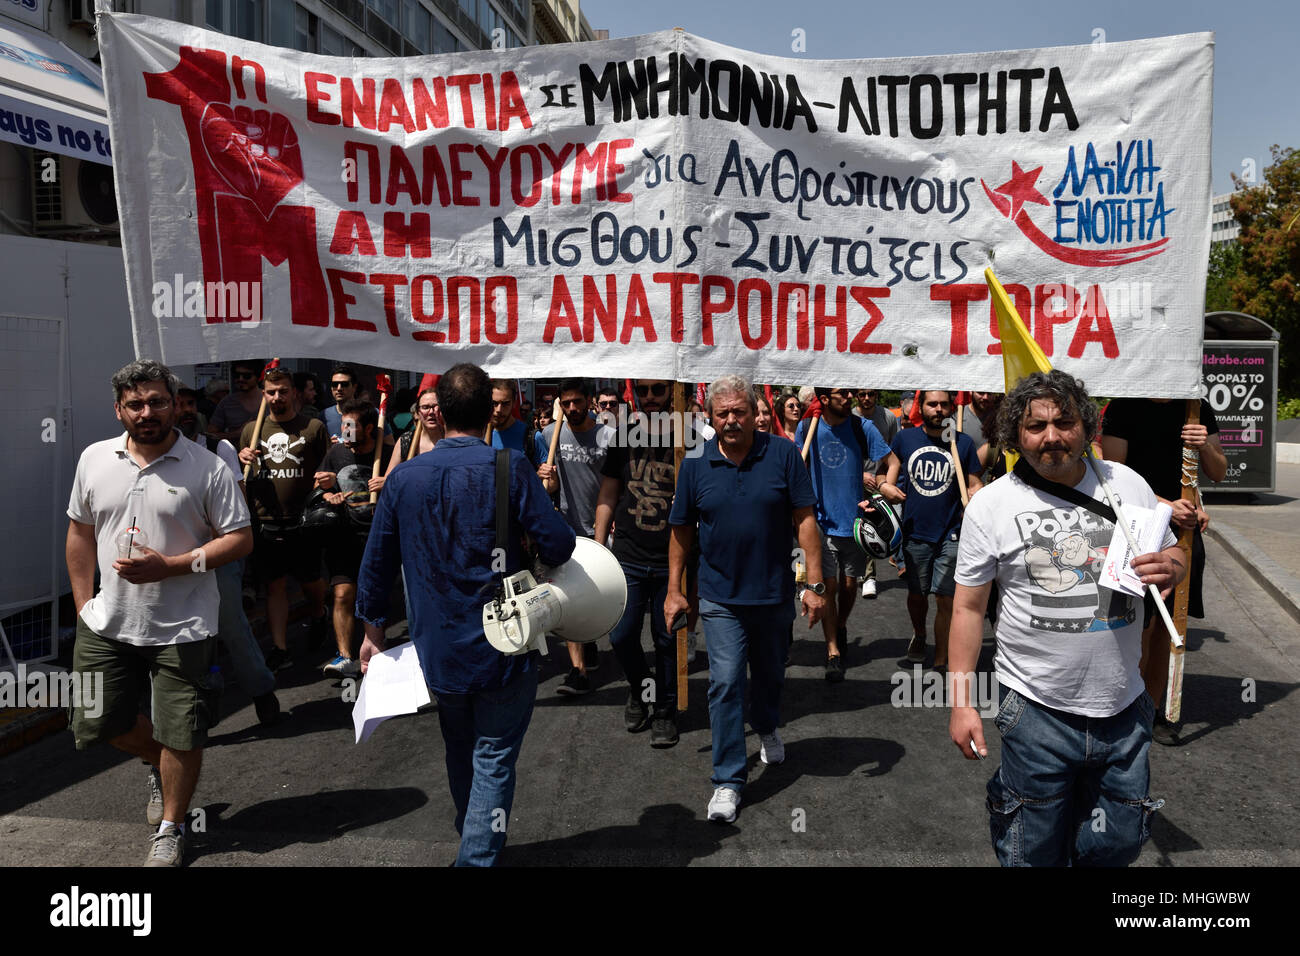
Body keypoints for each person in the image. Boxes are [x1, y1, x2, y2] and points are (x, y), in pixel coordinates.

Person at [948, 370, 1183, 866]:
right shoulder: (991, 506)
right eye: (1036, 426)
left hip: (1124, 708)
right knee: (1032, 849)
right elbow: (968, 609)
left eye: (1064, 422)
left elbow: (1173, 553)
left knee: (1117, 844)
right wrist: (962, 703)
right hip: (1036, 709)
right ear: (1015, 435)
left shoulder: (1129, 485)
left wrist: (1174, 566)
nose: (1052, 436)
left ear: (1087, 427)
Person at [357, 363, 575, 866]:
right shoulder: (510, 467)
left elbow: (376, 562)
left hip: (438, 647)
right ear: (489, 415)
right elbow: (559, 545)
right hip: (505, 641)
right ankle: (475, 855)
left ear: (443, 413)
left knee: (462, 748)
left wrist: (372, 633)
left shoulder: (404, 476)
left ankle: (474, 834)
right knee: (493, 756)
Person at [66, 360, 253, 866]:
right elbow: (80, 533)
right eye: (136, 404)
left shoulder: (207, 467)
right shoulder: (93, 459)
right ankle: (158, 761)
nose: (147, 412)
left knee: (182, 730)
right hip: (108, 623)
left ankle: (172, 827)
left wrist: (172, 565)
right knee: (96, 721)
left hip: (184, 626)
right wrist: (84, 605)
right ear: (119, 409)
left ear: (174, 404)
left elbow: (239, 539)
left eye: (157, 402)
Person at [665, 375, 825, 823]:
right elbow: (680, 530)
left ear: (755, 412)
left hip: (774, 595)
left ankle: (768, 726)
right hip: (719, 598)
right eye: (722, 413)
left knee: (771, 674)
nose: (731, 420)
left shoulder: (783, 455)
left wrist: (814, 586)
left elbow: (805, 519)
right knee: (726, 682)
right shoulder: (695, 462)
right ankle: (728, 780)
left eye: (739, 411)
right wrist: (675, 590)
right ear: (710, 417)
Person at [1101, 396, 1226, 745]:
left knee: (1167, 628)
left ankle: (1152, 709)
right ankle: (1121, 701)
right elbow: (1113, 477)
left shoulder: (1196, 407)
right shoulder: (1124, 407)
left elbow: (1218, 471)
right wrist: (1167, 507)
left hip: (1182, 534)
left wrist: (1204, 447)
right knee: (1135, 621)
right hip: (1136, 525)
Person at [176, 387, 280, 725]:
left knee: (232, 627)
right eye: (177, 404)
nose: (184, 410)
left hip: (218, 557)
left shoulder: (218, 448)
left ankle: (262, 691)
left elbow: (238, 500)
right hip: (174, 563)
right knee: (185, 637)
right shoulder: (156, 453)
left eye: (190, 404)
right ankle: (201, 702)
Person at [594, 378, 683, 745]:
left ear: (671, 392)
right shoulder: (623, 434)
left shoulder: (688, 438)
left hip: (671, 559)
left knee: (667, 639)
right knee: (621, 634)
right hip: (627, 557)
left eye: (657, 390)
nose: (649, 398)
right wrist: (598, 549)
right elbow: (609, 492)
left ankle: (663, 709)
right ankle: (640, 687)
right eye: (642, 390)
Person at [880, 390, 983, 669]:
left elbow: (974, 483)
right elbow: (885, 473)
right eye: (932, 404)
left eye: (944, 404)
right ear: (921, 407)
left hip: (951, 533)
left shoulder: (963, 443)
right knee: (917, 595)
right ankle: (920, 634)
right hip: (914, 532)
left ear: (952, 407)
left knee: (945, 597)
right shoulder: (905, 439)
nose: (939, 409)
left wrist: (977, 494)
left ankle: (940, 659)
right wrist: (885, 486)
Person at [237, 367, 331, 671]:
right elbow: (243, 475)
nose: (277, 397)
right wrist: (243, 458)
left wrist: (325, 487)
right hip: (266, 522)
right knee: (274, 586)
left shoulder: (312, 427)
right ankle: (280, 647)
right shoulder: (252, 430)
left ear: (294, 392)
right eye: (271, 391)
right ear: (264, 393)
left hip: (303, 520)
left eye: (283, 391)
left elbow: (327, 468)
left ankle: (319, 612)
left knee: (310, 581)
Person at [794, 387, 891, 681]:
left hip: (855, 523)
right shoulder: (806, 426)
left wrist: (885, 486)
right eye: (842, 393)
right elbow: (799, 467)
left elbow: (891, 461)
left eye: (850, 392)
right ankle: (833, 650)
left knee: (850, 587)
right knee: (830, 587)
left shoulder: (863, 427)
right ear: (824, 399)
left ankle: (841, 624)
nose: (849, 397)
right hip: (820, 523)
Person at [535, 379, 615, 695]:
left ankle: (591, 636)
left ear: (590, 402)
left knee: (600, 595)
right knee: (567, 598)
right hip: (566, 528)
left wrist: (610, 521)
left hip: (600, 527)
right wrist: (549, 482)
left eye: (577, 402)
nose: (572, 409)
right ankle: (577, 671)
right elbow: (547, 490)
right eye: (566, 403)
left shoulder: (609, 437)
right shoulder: (549, 435)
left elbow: (617, 484)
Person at [314, 399, 386, 677]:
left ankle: (375, 645)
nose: (343, 430)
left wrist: (389, 482)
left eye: (350, 426)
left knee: (372, 595)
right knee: (342, 593)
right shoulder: (335, 454)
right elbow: (318, 484)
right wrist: (327, 492)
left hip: (377, 537)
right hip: (344, 536)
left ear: (369, 428)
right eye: (342, 424)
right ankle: (344, 656)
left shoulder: (387, 454)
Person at [853, 388, 899, 598]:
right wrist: (860, 473)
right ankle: (853, 572)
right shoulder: (849, 417)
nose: (867, 399)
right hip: (853, 479)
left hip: (878, 482)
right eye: (862, 394)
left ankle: (869, 576)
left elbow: (893, 451)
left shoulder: (888, 417)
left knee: (871, 526)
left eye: (871, 394)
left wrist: (884, 483)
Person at [206, 359, 264, 444]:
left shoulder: (270, 400)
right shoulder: (226, 403)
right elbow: (210, 434)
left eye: (246, 376)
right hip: (235, 456)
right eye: (237, 375)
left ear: (258, 377)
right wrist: (236, 434)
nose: (240, 379)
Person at [387, 386, 443, 474]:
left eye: (436, 406)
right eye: (425, 407)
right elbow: (389, 477)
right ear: (417, 413)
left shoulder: (451, 438)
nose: (431, 412)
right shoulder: (406, 441)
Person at [489, 379, 541, 467]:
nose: (499, 410)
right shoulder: (478, 435)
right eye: (494, 403)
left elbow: (549, 478)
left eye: (505, 404)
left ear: (514, 402)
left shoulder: (532, 437)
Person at [323, 364, 359, 442]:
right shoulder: (324, 416)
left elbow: (388, 443)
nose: (339, 388)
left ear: (354, 387)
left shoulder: (371, 413)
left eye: (344, 384)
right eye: (335, 384)